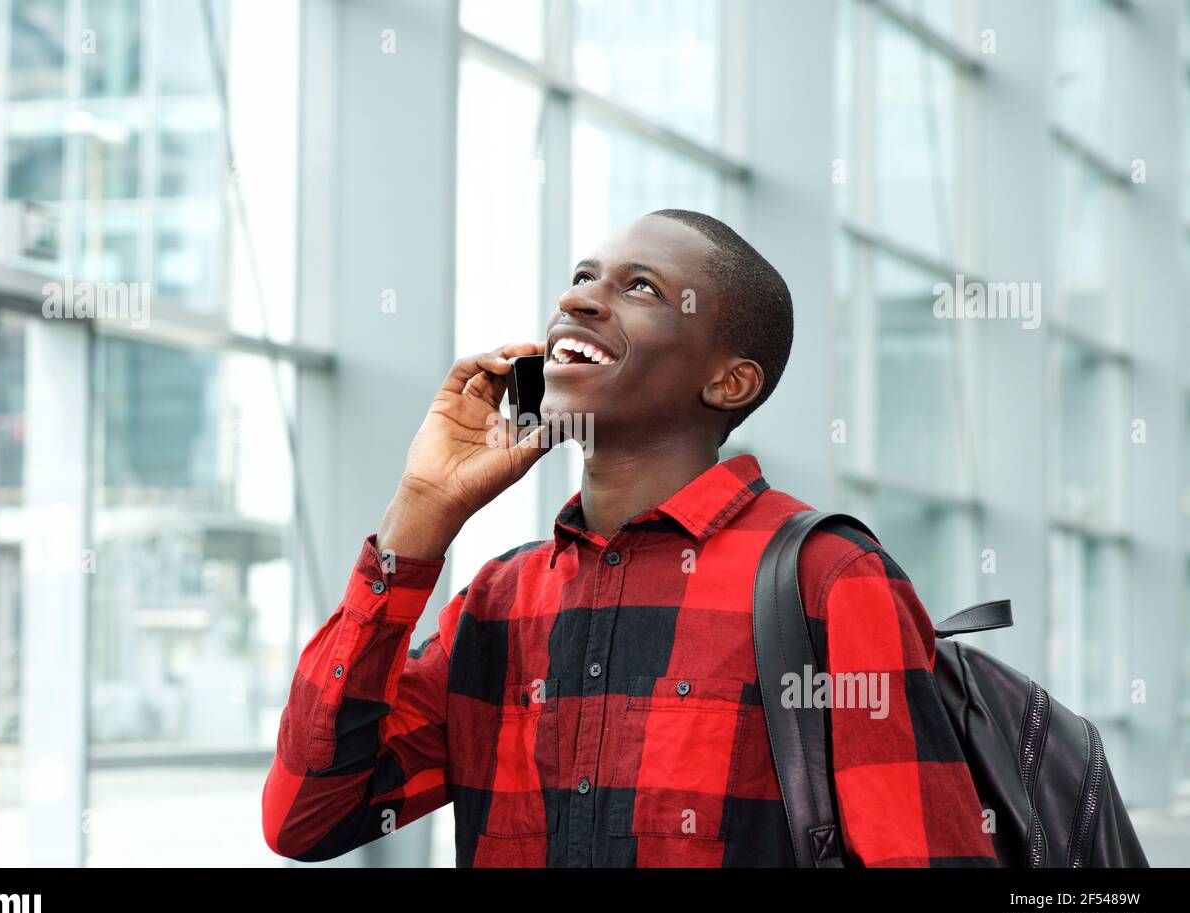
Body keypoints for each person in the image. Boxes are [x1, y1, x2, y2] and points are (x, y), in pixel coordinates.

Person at [261, 209, 997, 867]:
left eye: (639, 287)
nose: (576, 299)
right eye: (581, 277)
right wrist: (420, 516)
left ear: (729, 382)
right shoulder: (497, 602)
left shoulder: (828, 579)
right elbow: (306, 818)